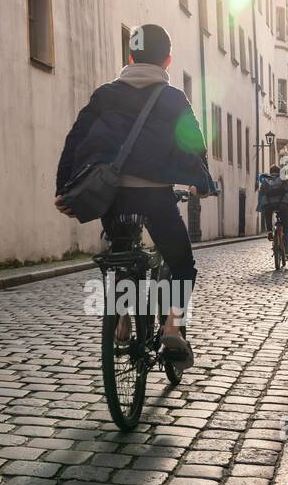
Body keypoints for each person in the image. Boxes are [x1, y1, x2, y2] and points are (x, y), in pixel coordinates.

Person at [55, 23, 212, 366]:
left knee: (120, 254)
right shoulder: (172, 98)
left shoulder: (106, 94)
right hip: (156, 195)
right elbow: (193, 141)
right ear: (167, 61)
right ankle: (172, 326)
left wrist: (64, 188)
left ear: (129, 56)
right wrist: (202, 181)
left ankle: (122, 319)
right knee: (182, 263)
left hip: (112, 196)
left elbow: (76, 139)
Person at [257, 165, 288, 259]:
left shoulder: (265, 180)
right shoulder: (284, 180)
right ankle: (287, 252)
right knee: (287, 227)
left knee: (267, 212)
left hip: (269, 204)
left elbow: (261, 194)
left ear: (270, 172)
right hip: (283, 205)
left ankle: (269, 231)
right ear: (279, 172)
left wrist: (261, 205)